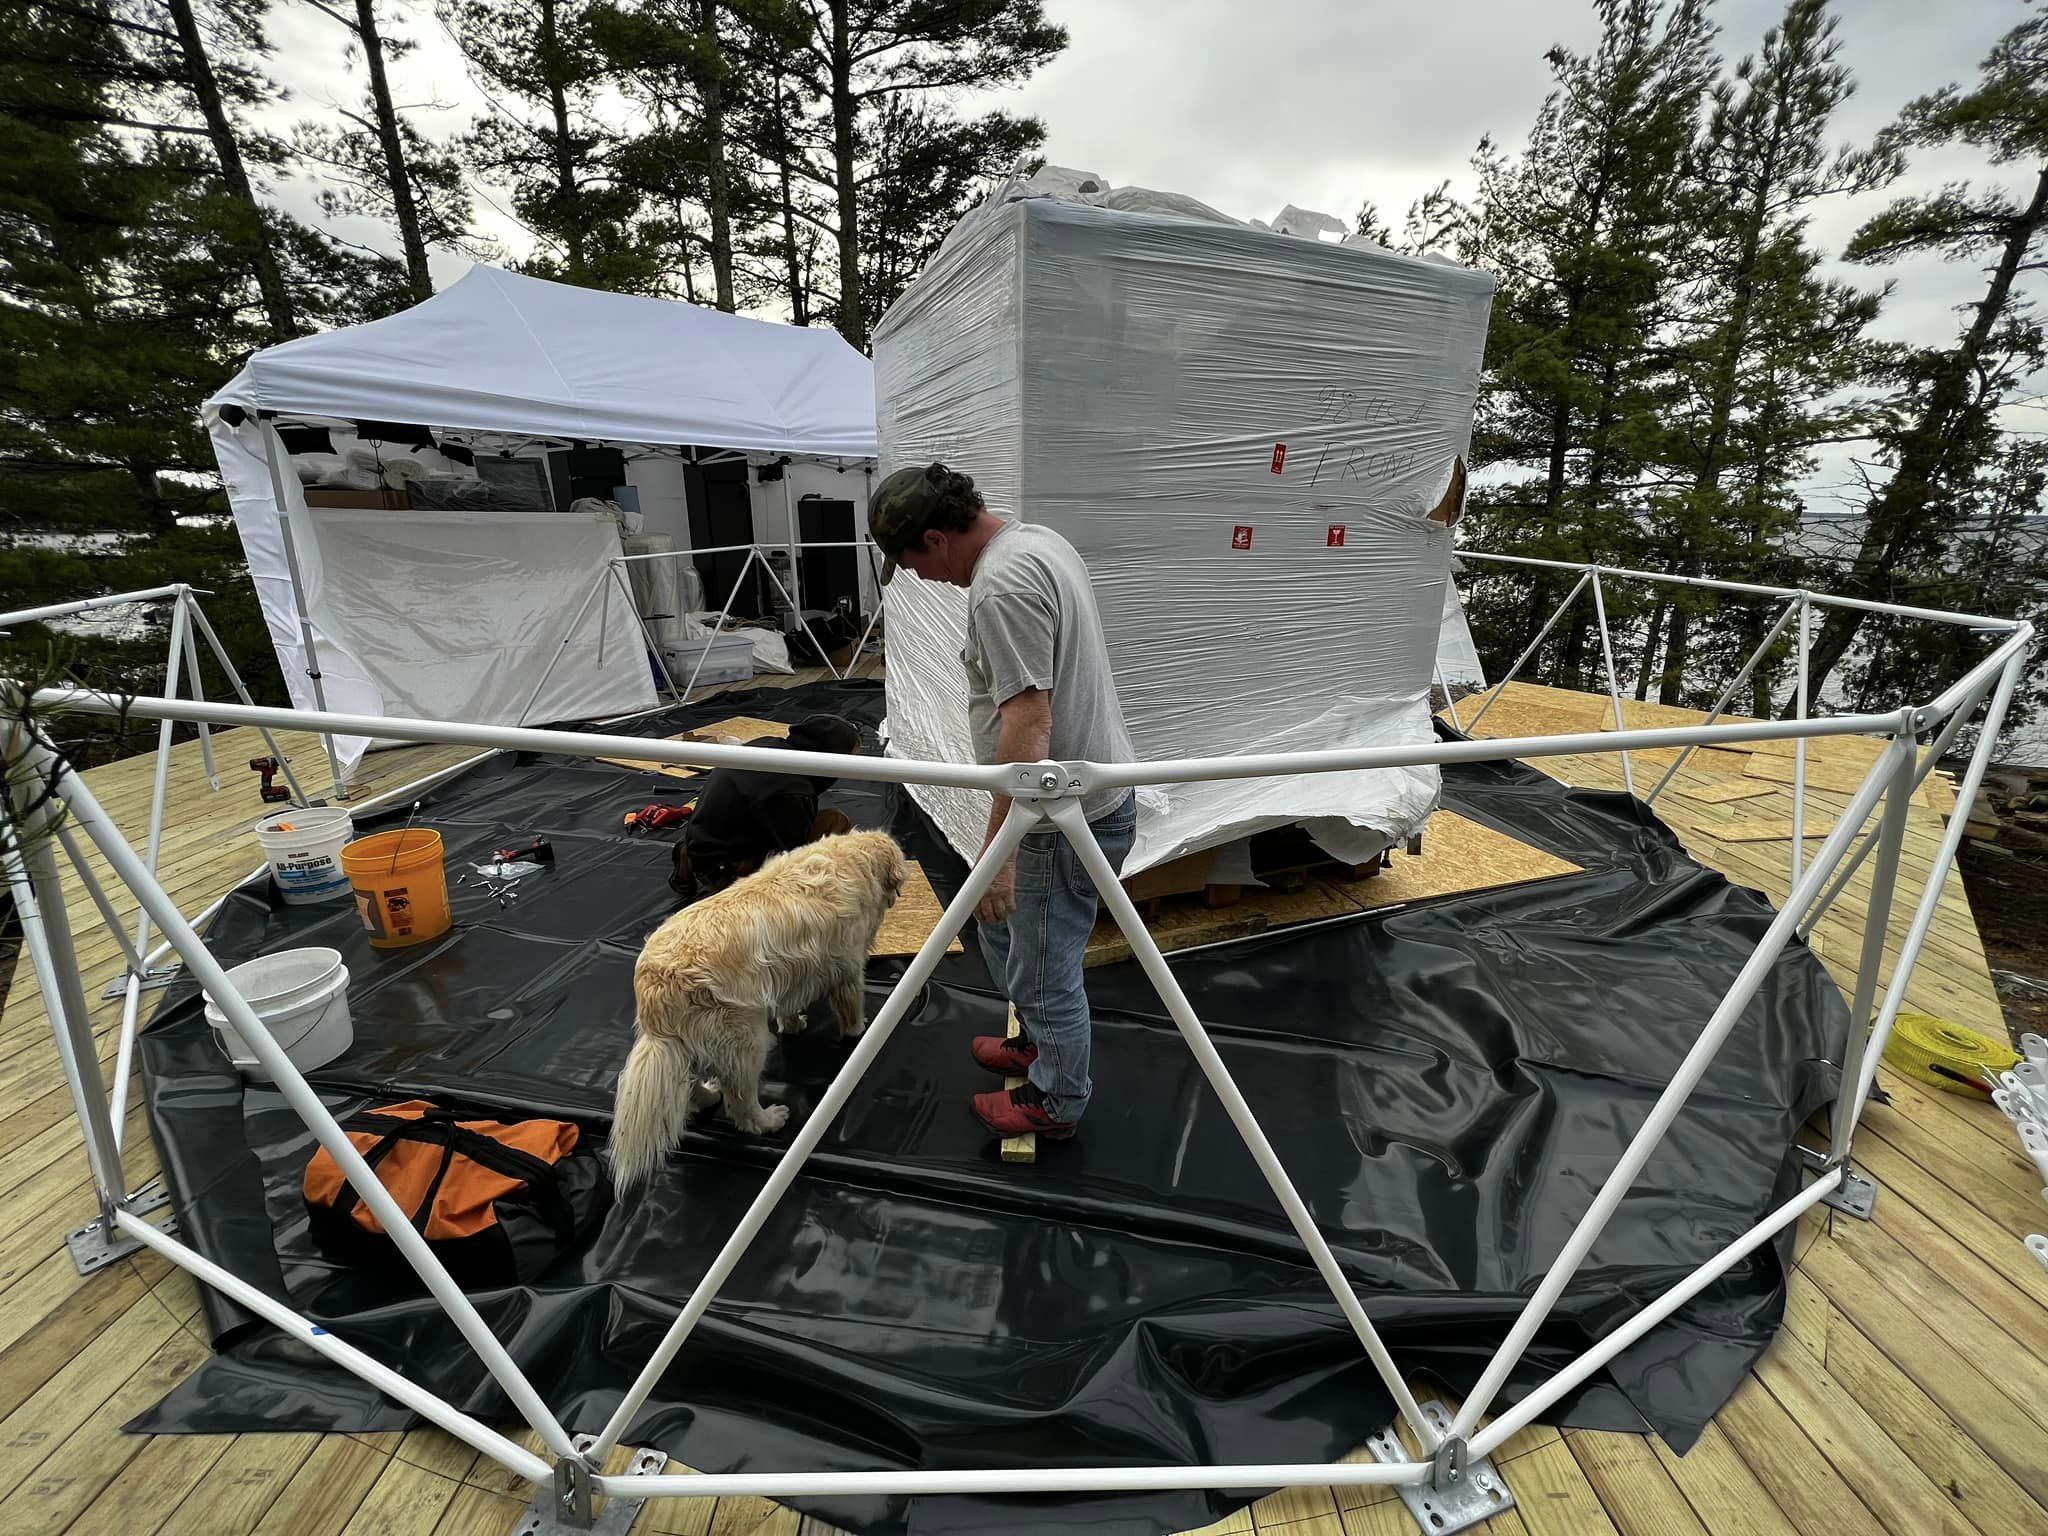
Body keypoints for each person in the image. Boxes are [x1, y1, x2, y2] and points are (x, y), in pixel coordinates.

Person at [869, 462, 1137, 1142]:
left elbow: (1029, 724)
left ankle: (1056, 1103)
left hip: (1054, 815)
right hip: (1069, 801)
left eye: (913, 564)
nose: (922, 579)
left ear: (936, 537)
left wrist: (1002, 852)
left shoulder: (1001, 588)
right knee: (1000, 932)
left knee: (1044, 968)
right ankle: (1039, 1047)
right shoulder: (1036, 541)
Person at [669, 714, 861, 902]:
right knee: (831, 831)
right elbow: (794, 854)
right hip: (724, 866)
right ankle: (726, 890)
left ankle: (693, 855)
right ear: (829, 757)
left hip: (703, 838)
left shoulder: (766, 745)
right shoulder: (791, 789)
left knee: (831, 819)